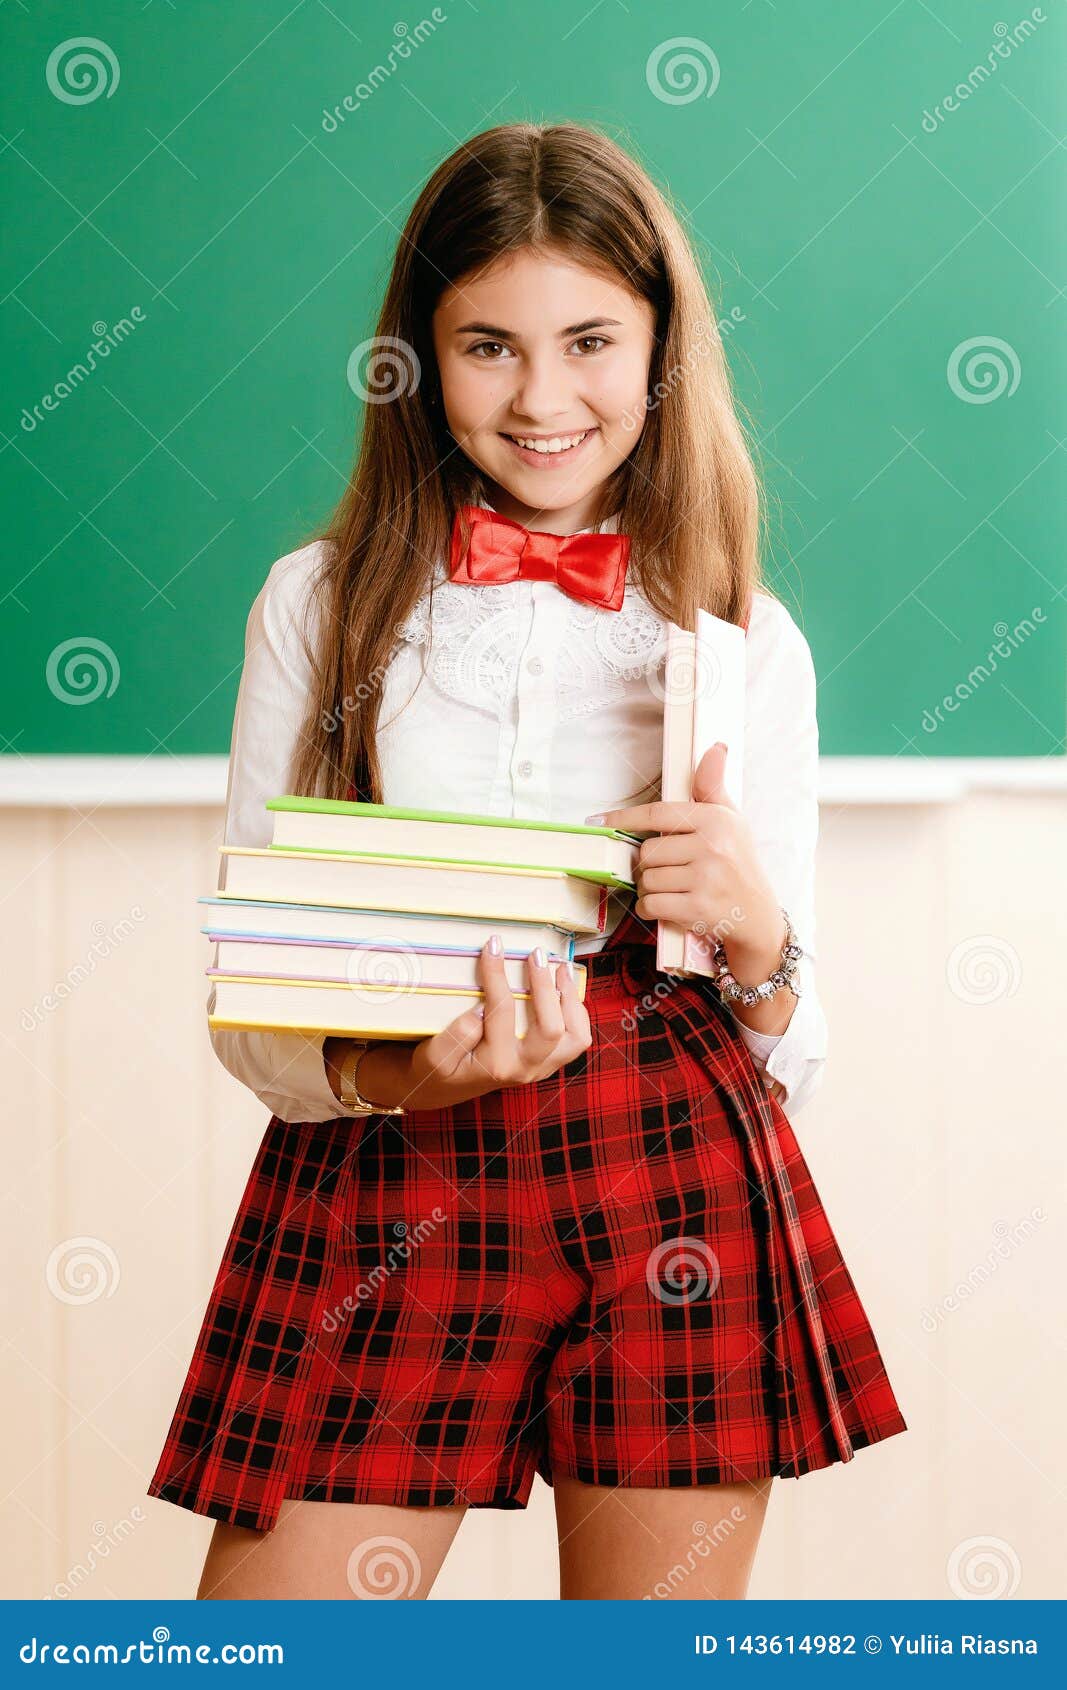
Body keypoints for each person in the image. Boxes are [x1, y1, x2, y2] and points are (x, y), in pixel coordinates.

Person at [148, 121, 907, 1601]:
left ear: (660, 349)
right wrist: (411, 1073)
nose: (545, 398)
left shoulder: (747, 633)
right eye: (489, 345)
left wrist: (763, 940)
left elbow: (791, 1051)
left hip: (663, 1172)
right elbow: (255, 1016)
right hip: (390, 1167)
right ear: (418, 360)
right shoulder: (321, 607)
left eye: (591, 342)